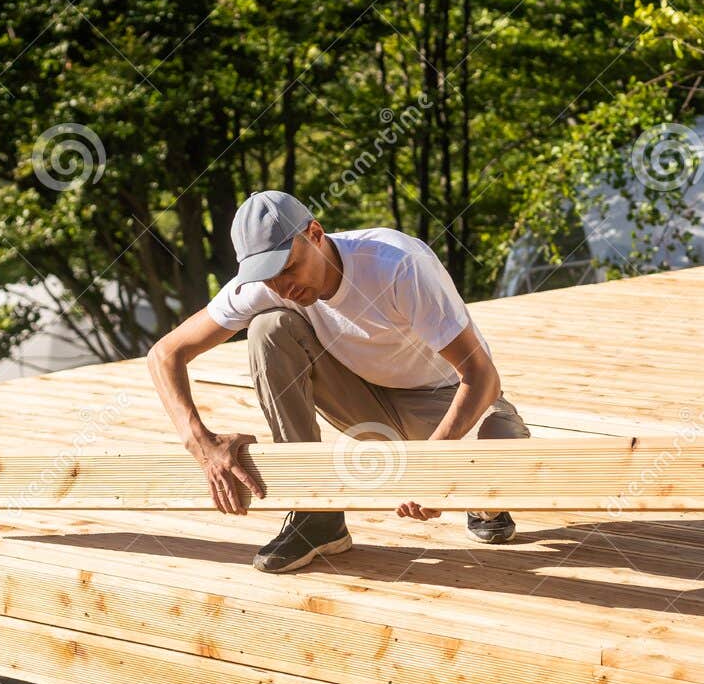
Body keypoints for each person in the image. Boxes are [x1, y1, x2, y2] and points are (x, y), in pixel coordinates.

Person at [147, 190, 529, 573]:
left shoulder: (397, 264)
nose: (282, 286)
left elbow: (481, 375)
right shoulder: (264, 286)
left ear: (315, 233)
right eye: (268, 276)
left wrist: (429, 467)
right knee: (269, 327)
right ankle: (316, 513)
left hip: (442, 398)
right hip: (361, 400)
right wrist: (200, 441)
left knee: (508, 459)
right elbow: (164, 354)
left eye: (288, 267)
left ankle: (484, 507)